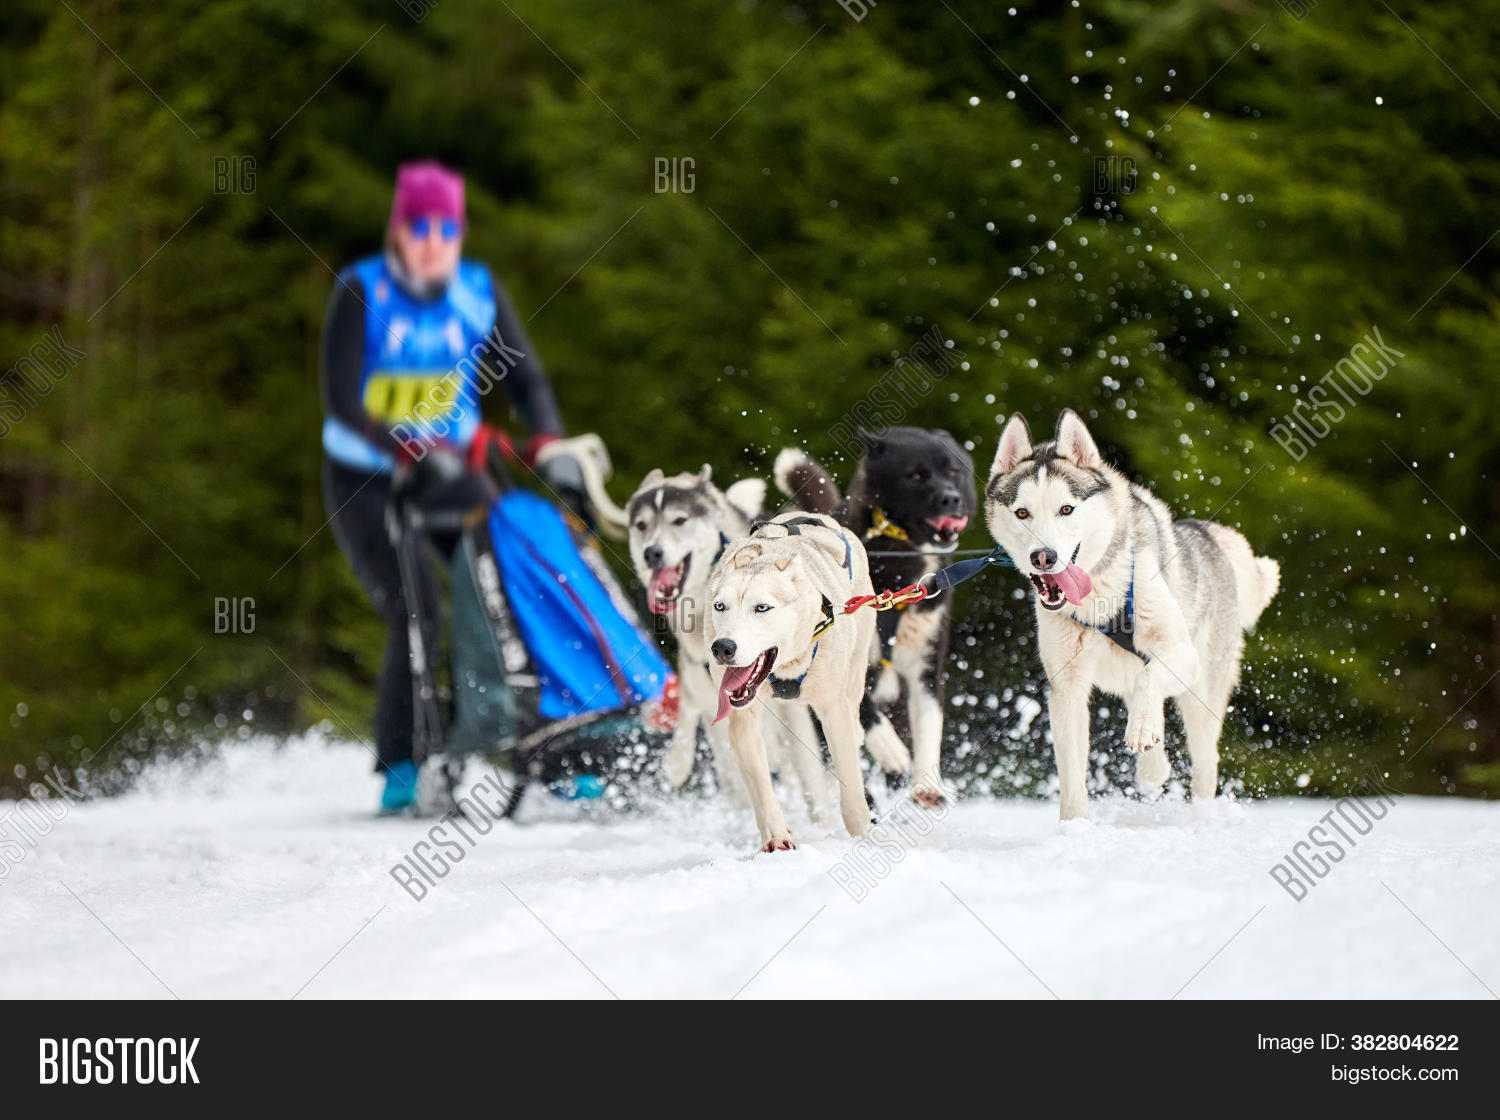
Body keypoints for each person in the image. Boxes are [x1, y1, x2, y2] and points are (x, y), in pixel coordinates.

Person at [320, 159, 583, 813]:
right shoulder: (364, 289)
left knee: (513, 592)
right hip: (370, 478)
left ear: (459, 233)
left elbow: (524, 379)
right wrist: (407, 447)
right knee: (415, 613)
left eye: (446, 227)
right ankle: (403, 765)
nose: (433, 239)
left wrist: (548, 439)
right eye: (420, 226)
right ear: (399, 230)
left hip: (456, 474)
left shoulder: (476, 290)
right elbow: (343, 398)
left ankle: (546, 751)